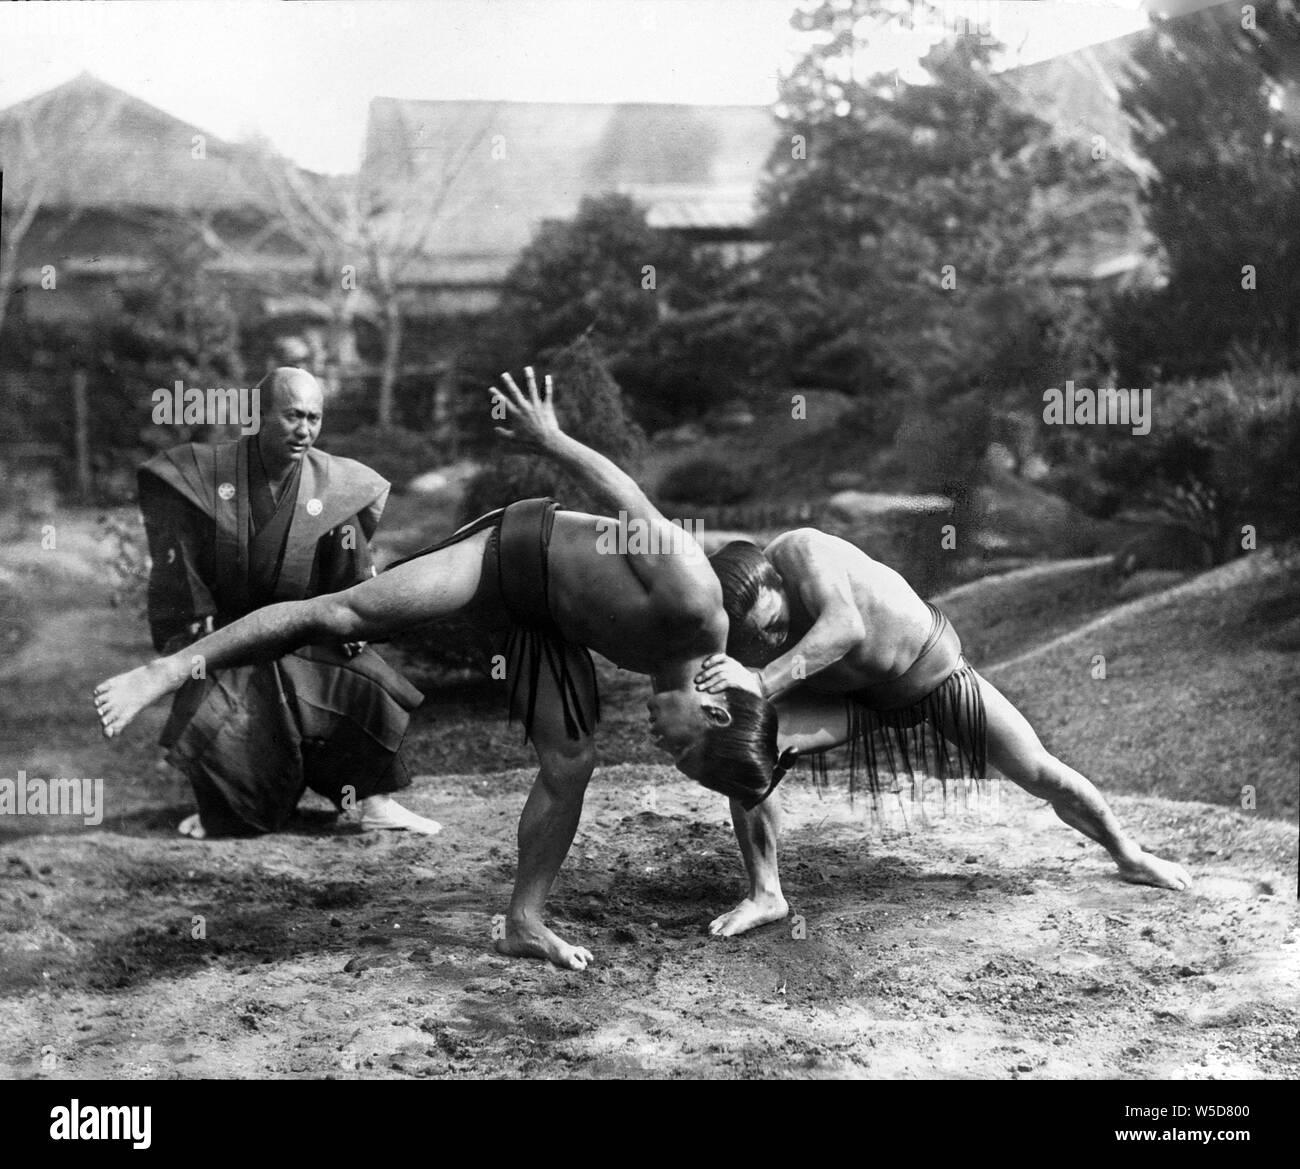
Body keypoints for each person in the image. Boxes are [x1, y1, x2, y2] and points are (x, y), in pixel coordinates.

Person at [97, 368, 775, 970]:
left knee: (571, 761)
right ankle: (166, 671)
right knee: (340, 615)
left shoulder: (693, 686)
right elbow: (629, 498)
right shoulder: (691, 599)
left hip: (545, 626)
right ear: (711, 708)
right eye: (682, 743)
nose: (664, 744)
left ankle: (523, 922)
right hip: (510, 550)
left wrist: (767, 888)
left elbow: (745, 771)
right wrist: (549, 438)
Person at [694, 529, 1193, 938]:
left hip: (932, 678)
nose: (773, 641)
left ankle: (1128, 854)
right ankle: (767, 894)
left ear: (775, 580)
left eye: (777, 625)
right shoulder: (734, 624)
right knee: (743, 744)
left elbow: (844, 629)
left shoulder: (802, 551)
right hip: (848, 700)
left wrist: (760, 679)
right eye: (760, 639)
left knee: (1039, 771)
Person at [136, 366, 438, 839]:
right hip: (228, 636)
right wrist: (195, 616)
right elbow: (180, 556)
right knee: (211, 703)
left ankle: (377, 802)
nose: (305, 430)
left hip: (303, 631)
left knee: (367, 681)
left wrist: (351, 624)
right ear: (257, 416)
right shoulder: (209, 475)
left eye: (314, 418)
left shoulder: (336, 487)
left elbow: (351, 577)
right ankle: (225, 807)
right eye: (293, 415)